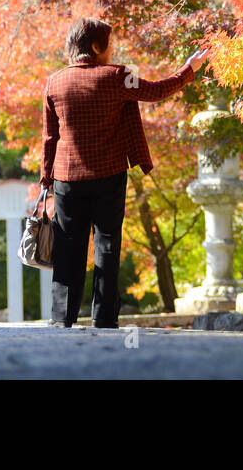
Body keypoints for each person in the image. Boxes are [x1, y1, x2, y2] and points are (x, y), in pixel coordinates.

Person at [40, 17, 207, 328]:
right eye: (110, 44)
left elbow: (50, 137)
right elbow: (157, 91)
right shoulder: (118, 76)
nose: (113, 50)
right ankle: (103, 319)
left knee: (69, 250)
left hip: (67, 179)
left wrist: (46, 179)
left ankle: (62, 319)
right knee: (106, 245)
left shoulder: (55, 82)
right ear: (95, 45)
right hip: (108, 175)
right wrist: (189, 71)